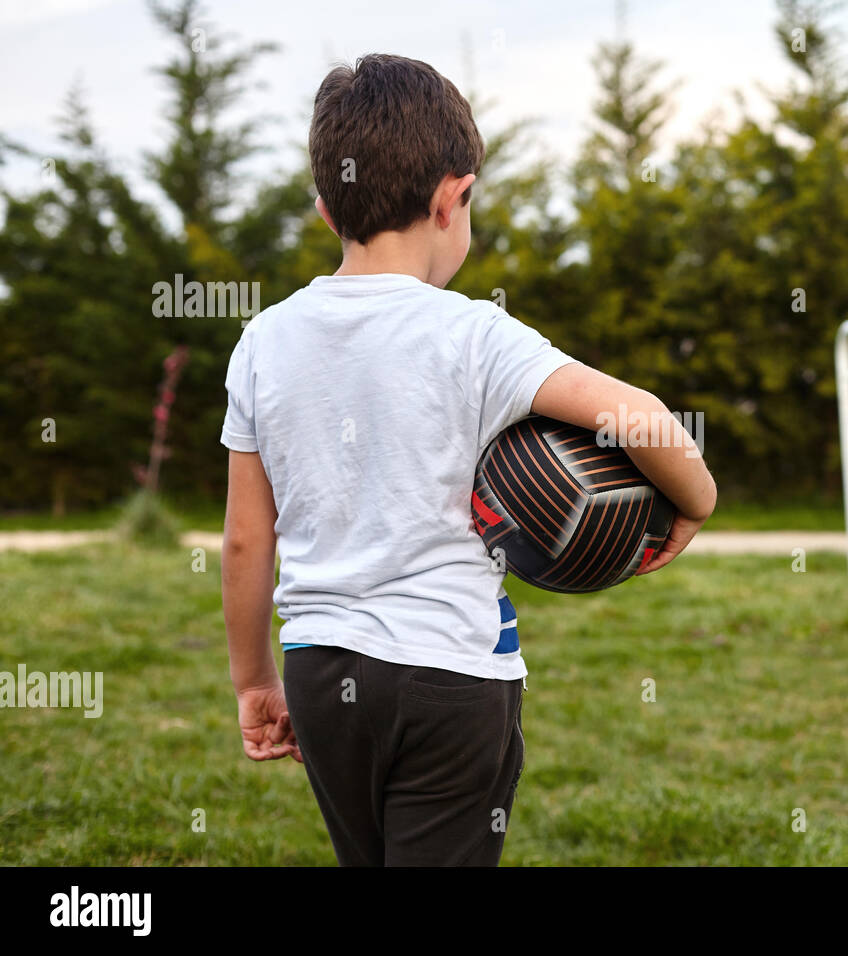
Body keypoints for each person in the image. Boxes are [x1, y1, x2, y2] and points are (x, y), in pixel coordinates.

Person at [219, 53, 716, 866]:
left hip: (319, 672)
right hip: (450, 672)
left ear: (324, 208)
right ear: (454, 197)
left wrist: (254, 681)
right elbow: (646, 420)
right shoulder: (473, 334)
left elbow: (245, 540)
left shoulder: (263, 340)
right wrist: (695, 505)